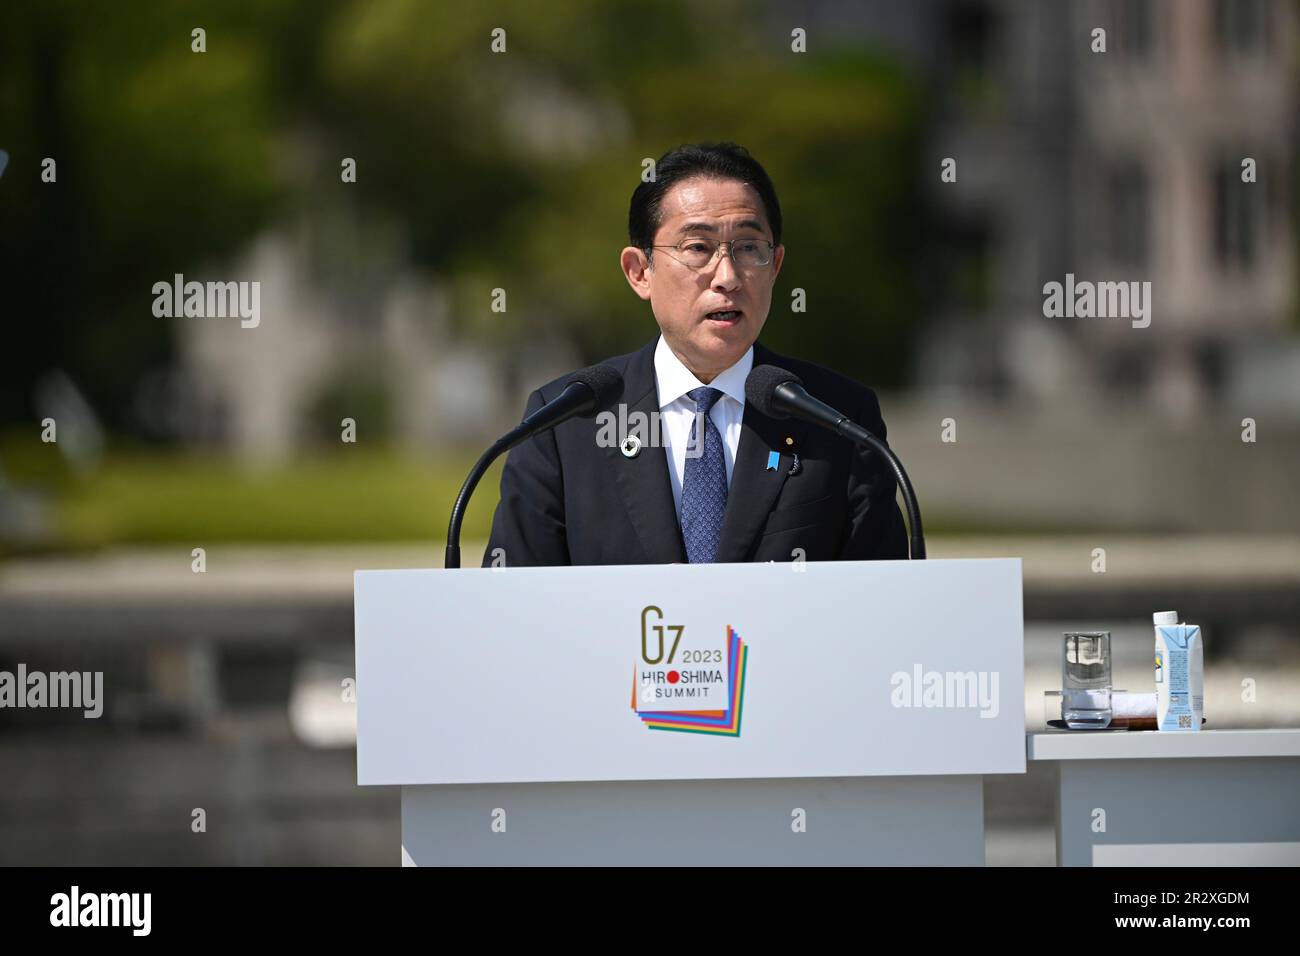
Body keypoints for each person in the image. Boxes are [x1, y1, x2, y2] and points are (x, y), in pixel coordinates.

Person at [483, 141, 907, 566]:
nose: (727, 277)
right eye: (698, 248)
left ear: (775, 266)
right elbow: (515, 611)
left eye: (748, 248)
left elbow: (881, 609)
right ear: (640, 272)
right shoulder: (565, 422)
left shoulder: (840, 418)